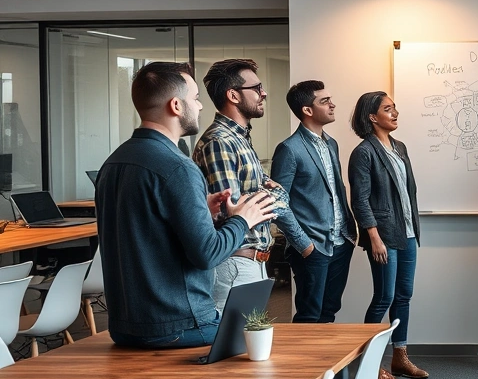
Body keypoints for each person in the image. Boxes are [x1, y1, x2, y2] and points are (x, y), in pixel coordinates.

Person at [95, 61, 275, 348]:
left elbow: (148, 228)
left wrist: (200, 208)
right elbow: (208, 254)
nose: (201, 106)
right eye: (196, 98)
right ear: (176, 105)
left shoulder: (113, 163)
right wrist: (243, 219)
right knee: (260, 339)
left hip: (125, 328)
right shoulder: (178, 168)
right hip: (179, 326)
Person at [192, 58, 311, 311]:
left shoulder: (239, 138)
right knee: (232, 337)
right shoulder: (220, 141)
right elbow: (232, 211)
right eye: (256, 88)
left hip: (251, 262)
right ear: (233, 95)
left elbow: (272, 195)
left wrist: (268, 195)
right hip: (235, 262)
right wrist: (272, 195)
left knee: (247, 335)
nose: (263, 93)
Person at [348, 91, 428, 379]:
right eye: (388, 109)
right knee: (384, 296)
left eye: (395, 108)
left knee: (403, 295)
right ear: (372, 116)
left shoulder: (399, 147)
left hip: (406, 231)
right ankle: (371, 363)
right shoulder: (363, 152)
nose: (395, 113)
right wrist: (373, 236)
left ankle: (400, 357)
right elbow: (360, 199)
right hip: (383, 235)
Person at [271, 80, 357, 323]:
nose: (332, 105)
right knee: (309, 315)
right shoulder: (289, 149)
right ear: (307, 110)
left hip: (341, 241)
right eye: (325, 101)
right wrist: (304, 244)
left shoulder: (332, 144)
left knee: (329, 311)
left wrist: (349, 237)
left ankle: (325, 353)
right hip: (312, 246)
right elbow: (278, 203)